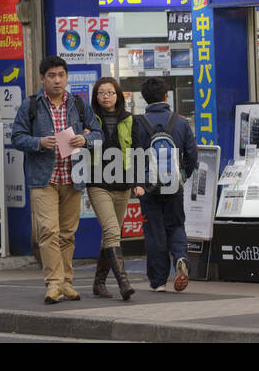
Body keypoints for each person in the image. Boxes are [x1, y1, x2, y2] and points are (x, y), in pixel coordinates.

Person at [11, 56, 101, 304]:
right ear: (42, 79)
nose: (57, 80)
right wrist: (38, 142)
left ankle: (67, 283)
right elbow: (17, 136)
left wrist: (86, 140)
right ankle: (53, 284)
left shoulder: (79, 105)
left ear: (67, 77)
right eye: (52, 75)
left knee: (67, 234)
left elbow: (98, 133)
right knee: (48, 231)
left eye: (61, 75)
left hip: (72, 178)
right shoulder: (31, 105)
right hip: (44, 178)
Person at [133, 77, 198, 293]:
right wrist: (182, 176)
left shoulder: (138, 123)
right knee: (176, 225)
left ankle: (159, 281)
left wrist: (138, 182)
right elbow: (192, 155)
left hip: (148, 187)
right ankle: (180, 257)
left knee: (154, 232)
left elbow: (132, 157)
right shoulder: (180, 122)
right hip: (173, 186)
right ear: (166, 96)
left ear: (144, 98)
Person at [81, 77, 137, 301]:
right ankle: (124, 283)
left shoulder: (130, 119)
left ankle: (99, 283)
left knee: (110, 235)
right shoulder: (89, 120)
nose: (106, 96)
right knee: (113, 231)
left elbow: (137, 150)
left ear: (118, 95)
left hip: (122, 184)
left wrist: (138, 182)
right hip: (98, 182)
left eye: (110, 92)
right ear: (95, 96)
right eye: (101, 92)